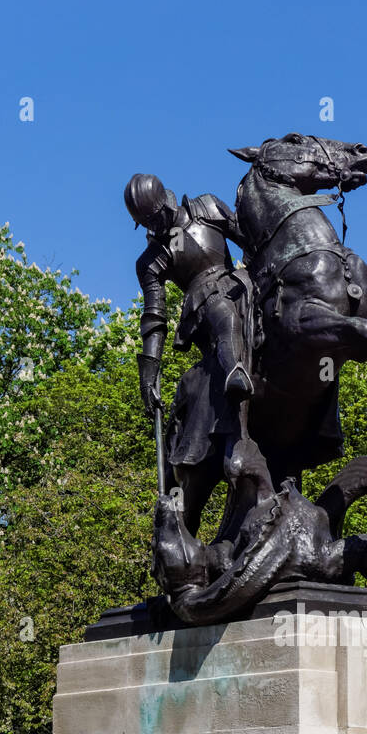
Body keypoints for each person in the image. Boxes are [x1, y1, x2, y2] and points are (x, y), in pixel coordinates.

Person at [125, 173, 254, 532]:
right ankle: (234, 372)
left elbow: (247, 237)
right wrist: (148, 376)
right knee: (218, 309)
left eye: (156, 217)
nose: (154, 226)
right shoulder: (150, 262)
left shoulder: (207, 206)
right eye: (147, 223)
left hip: (240, 284)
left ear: (167, 203)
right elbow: (154, 319)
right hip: (203, 304)